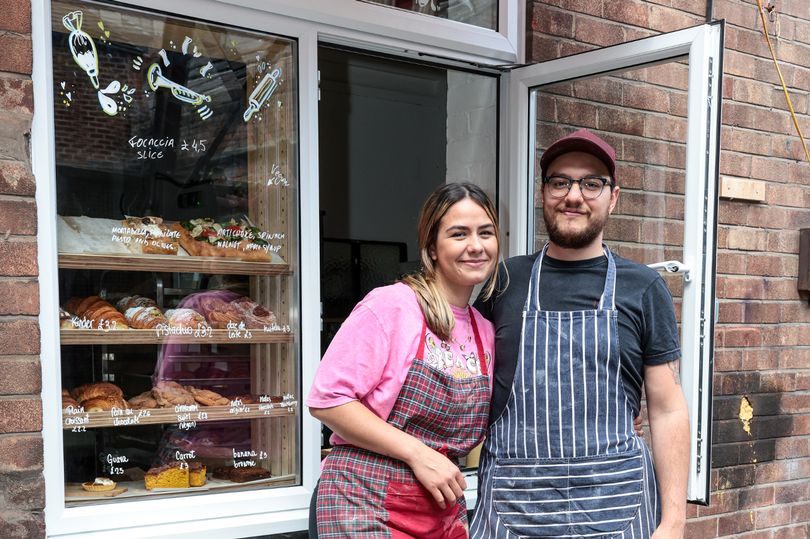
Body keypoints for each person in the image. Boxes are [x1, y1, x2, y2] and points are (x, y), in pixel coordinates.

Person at [470, 129, 689, 539]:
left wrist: (674, 521)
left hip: (617, 505)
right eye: (560, 182)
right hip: (514, 506)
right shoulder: (502, 282)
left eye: (591, 184)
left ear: (613, 197)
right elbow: (462, 379)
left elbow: (667, 409)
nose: (574, 196)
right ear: (543, 193)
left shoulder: (643, 287)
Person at [307, 182, 502, 538]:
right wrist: (418, 454)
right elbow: (329, 400)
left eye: (485, 233)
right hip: (361, 501)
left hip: (439, 509)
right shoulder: (393, 306)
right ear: (432, 247)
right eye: (459, 234)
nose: (475, 245)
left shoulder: (485, 331)